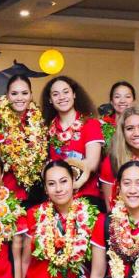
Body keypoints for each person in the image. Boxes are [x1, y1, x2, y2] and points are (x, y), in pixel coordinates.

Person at [42, 76, 104, 205]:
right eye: (55, 94)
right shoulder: (46, 128)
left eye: (66, 92)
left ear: (74, 94)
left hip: (86, 196)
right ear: (50, 100)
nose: (62, 97)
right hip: (57, 197)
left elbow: (92, 164)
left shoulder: (90, 123)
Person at [0, 75, 47, 203]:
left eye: (24, 93)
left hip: (36, 192)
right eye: (14, 93)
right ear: (7, 96)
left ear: (31, 95)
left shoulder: (40, 121)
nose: (19, 98)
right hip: (6, 193)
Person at [99, 81, 136, 147]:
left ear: (133, 101)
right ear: (111, 102)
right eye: (117, 97)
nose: (122, 101)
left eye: (127, 97)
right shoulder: (102, 124)